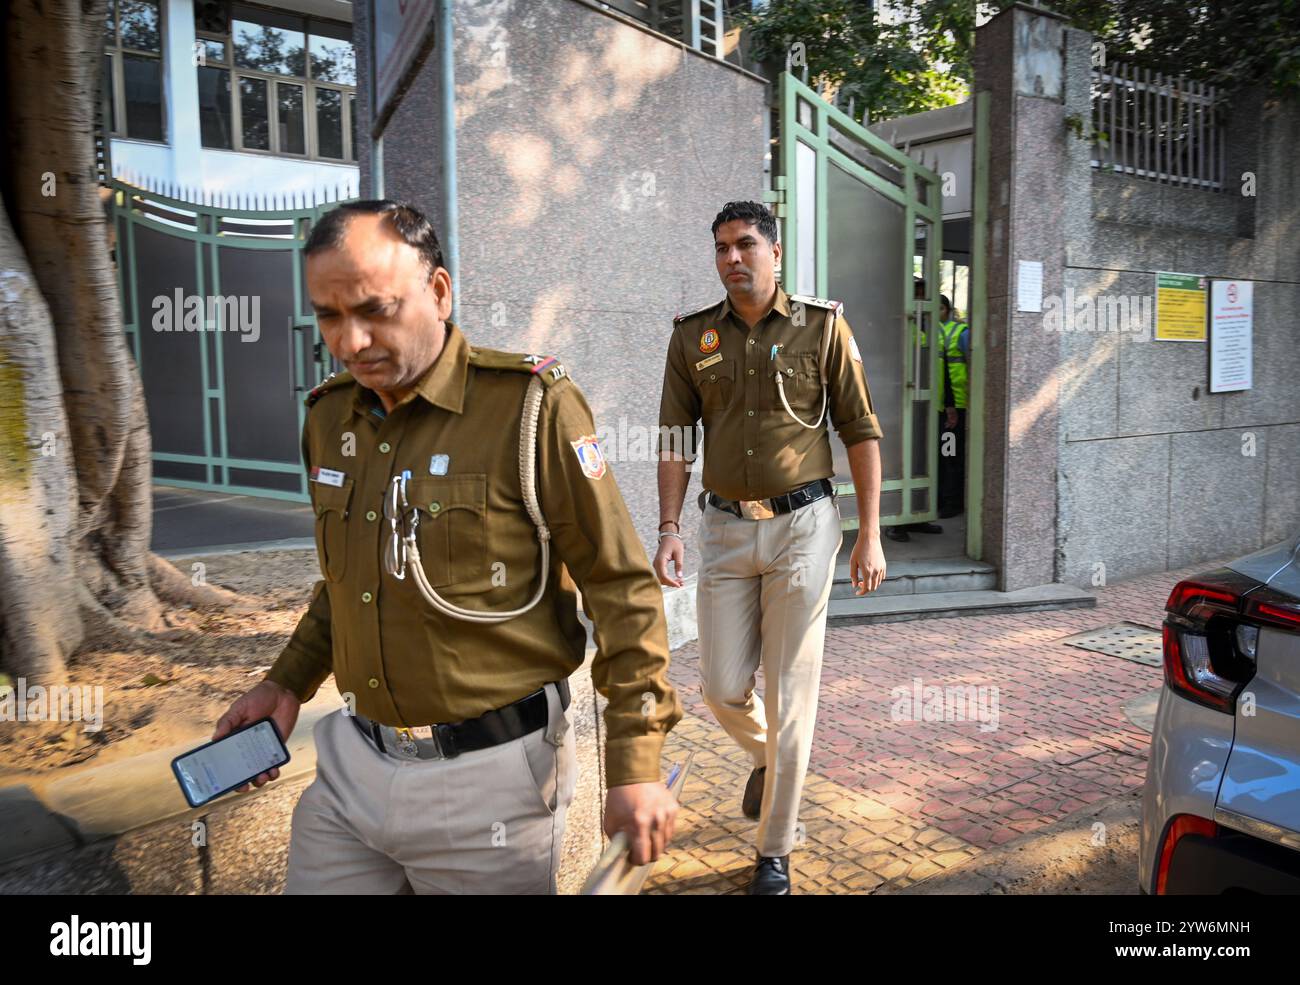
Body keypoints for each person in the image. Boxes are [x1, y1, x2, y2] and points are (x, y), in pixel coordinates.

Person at [212, 200, 682, 894]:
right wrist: (286, 682)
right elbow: (347, 584)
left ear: (437, 290)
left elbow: (621, 588)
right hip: (350, 767)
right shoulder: (329, 415)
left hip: (491, 783)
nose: (350, 340)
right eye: (329, 315)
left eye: (375, 309)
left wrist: (636, 759)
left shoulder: (529, 409)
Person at [653, 200, 886, 895]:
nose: (732, 258)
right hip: (723, 528)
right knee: (721, 686)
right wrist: (667, 526)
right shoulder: (693, 337)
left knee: (790, 694)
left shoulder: (823, 327)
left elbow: (860, 430)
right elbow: (673, 438)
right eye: (721, 247)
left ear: (775, 252)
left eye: (746, 244)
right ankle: (772, 760)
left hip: (804, 526)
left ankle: (774, 848)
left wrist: (869, 534)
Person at [936, 295, 970, 518]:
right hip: (939, 407)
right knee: (942, 456)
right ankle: (940, 499)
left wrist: (951, 407)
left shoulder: (959, 333)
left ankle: (953, 502)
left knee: (951, 455)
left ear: (948, 310)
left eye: (940, 308)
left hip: (955, 408)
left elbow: (951, 372)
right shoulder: (931, 330)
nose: (935, 312)